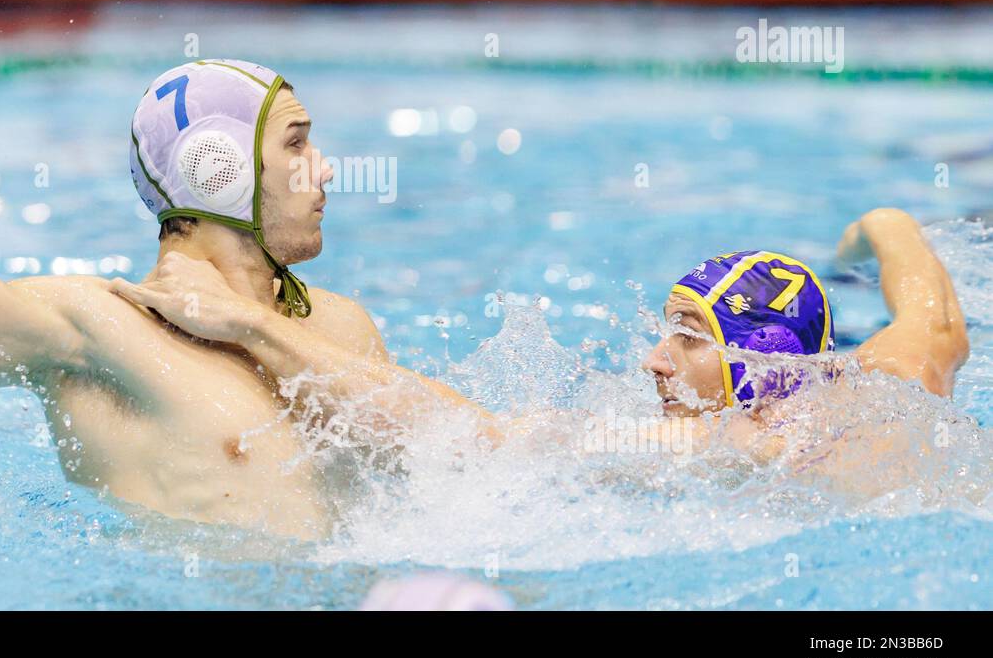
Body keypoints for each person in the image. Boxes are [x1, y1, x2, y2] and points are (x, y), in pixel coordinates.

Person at [0, 45, 396, 540]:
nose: (324, 169)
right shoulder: (94, 329)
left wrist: (252, 323)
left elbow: (446, 450)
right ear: (219, 169)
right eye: (295, 145)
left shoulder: (339, 327)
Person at [112, 208, 970, 470]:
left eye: (688, 338)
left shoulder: (737, 447)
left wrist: (255, 326)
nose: (653, 360)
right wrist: (878, 229)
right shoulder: (892, 377)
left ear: (763, 363)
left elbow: (475, 438)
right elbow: (930, 307)